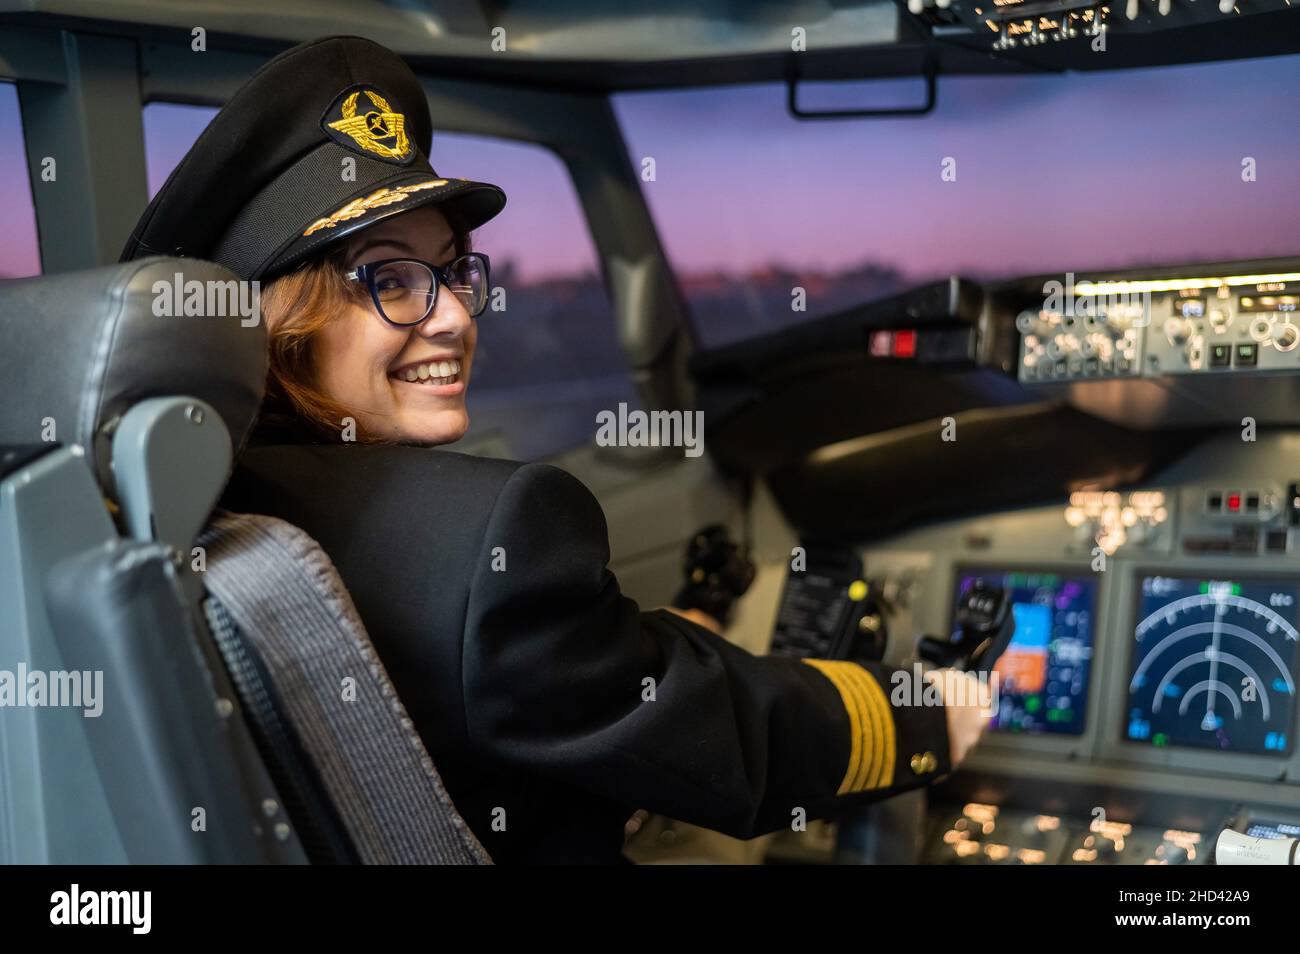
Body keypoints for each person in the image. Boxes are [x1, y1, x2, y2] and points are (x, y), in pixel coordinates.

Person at [121, 35, 989, 864]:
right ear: (282, 324)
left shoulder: (187, 503)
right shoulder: (485, 534)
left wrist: (631, 663)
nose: (457, 315)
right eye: (389, 279)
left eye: (455, 270)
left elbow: (508, 720)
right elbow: (737, 742)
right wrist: (919, 716)